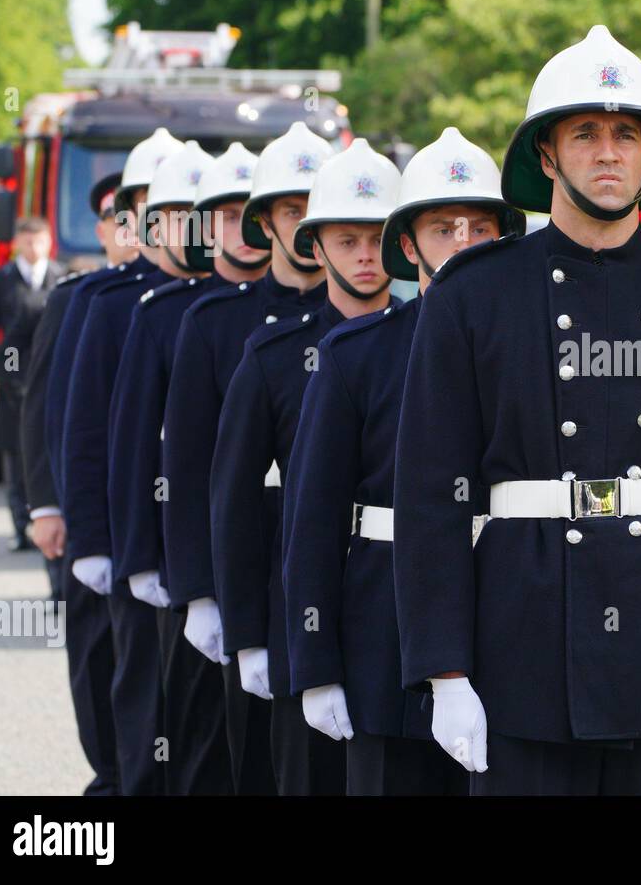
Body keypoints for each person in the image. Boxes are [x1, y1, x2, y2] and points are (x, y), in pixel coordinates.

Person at [391, 25, 641, 795]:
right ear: (546, 155)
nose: (608, 153)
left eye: (626, 135)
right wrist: (443, 671)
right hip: (522, 656)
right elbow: (431, 495)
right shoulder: (473, 296)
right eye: (585, 134)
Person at [282, 127, 521, 795]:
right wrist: (316, 662)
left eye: (480, 226)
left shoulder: (538, 350)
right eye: (445, 228)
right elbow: (313, 521)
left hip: (514, 628)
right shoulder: (355, 355)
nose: (465, 242)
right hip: (384, 639)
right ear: (408, 245)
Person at [211, 138, 399, 794]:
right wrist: (247, 632)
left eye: (379, 238)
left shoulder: (432, 342)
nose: (367, 257)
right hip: (302, 610)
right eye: (347, 241)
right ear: (316, 248)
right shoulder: (272, 354)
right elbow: (234, 499)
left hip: (401, 607)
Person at [161, 121, 330, 794]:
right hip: (251, 576)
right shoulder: (214, 322)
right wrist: (202, 592)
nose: (310, 223)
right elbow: (194, 469)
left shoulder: (371, 319)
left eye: (320, 205)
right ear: (265, 222)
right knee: (250, 763)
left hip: (339, 571)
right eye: (293, 209)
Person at [107, 142, 270, 798]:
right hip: (195, 553)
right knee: (193, 735)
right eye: (221, 217)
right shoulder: (173, 316)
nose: (237, 229)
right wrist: (145, 558)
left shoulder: (310, 312)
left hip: (279, 557)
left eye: (246, 213)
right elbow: (143, 450)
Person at [63, 139, 211, 795]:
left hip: (210, 538)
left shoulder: (226, 301)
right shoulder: (111, 303)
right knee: (145, 703)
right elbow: (86, 431)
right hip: (138, 539)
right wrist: (93, 539)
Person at [20, 170, 134, 795]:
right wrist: (46, 504)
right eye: (121, 220)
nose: (133, 232)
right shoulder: (77, 297)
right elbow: (42, 408)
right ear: (101, 230)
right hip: (86, 512)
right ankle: (109, 779)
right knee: (95, 653)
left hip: (148, 517)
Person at [0, 216, 65, 554]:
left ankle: (41, 517)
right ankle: (20, 526)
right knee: (15, 456)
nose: (34, 247)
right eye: (28, 241)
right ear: (17, 243)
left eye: (40, 241)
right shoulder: (3, 278)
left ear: (49, 242)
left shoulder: (61, 277)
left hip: (52, 378)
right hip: (15, 380)